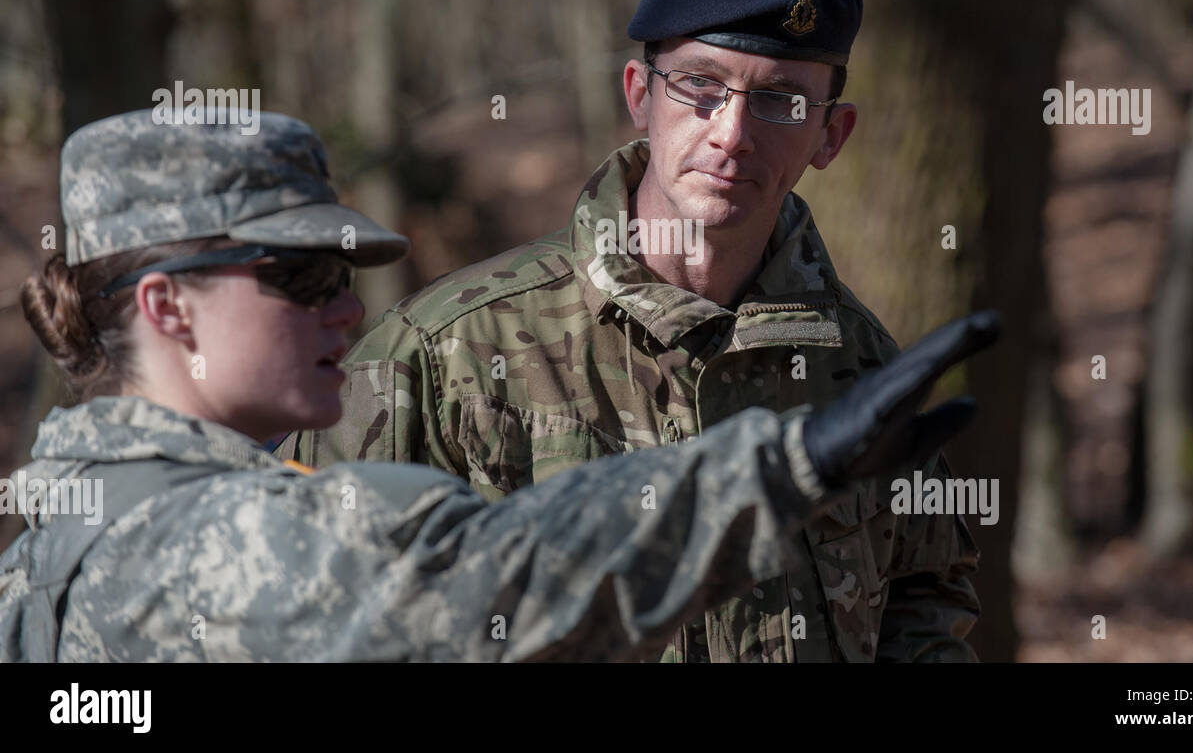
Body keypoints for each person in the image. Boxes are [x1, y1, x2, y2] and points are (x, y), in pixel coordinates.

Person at [0, 108, 999, 662]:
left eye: (344, 278)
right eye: (299, 278)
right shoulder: (227, 541)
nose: (348, 311)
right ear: (169, 307)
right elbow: (501, 576)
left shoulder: (49, 550)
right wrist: (784, 466)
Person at [285, 0, 988, 662]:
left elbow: (925, 599)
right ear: (639, 96)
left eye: (779, 99)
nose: (732, 132)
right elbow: (304, 611)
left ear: (830, 135)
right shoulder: (441, 355)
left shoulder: (863, 371)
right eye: (701, 86)